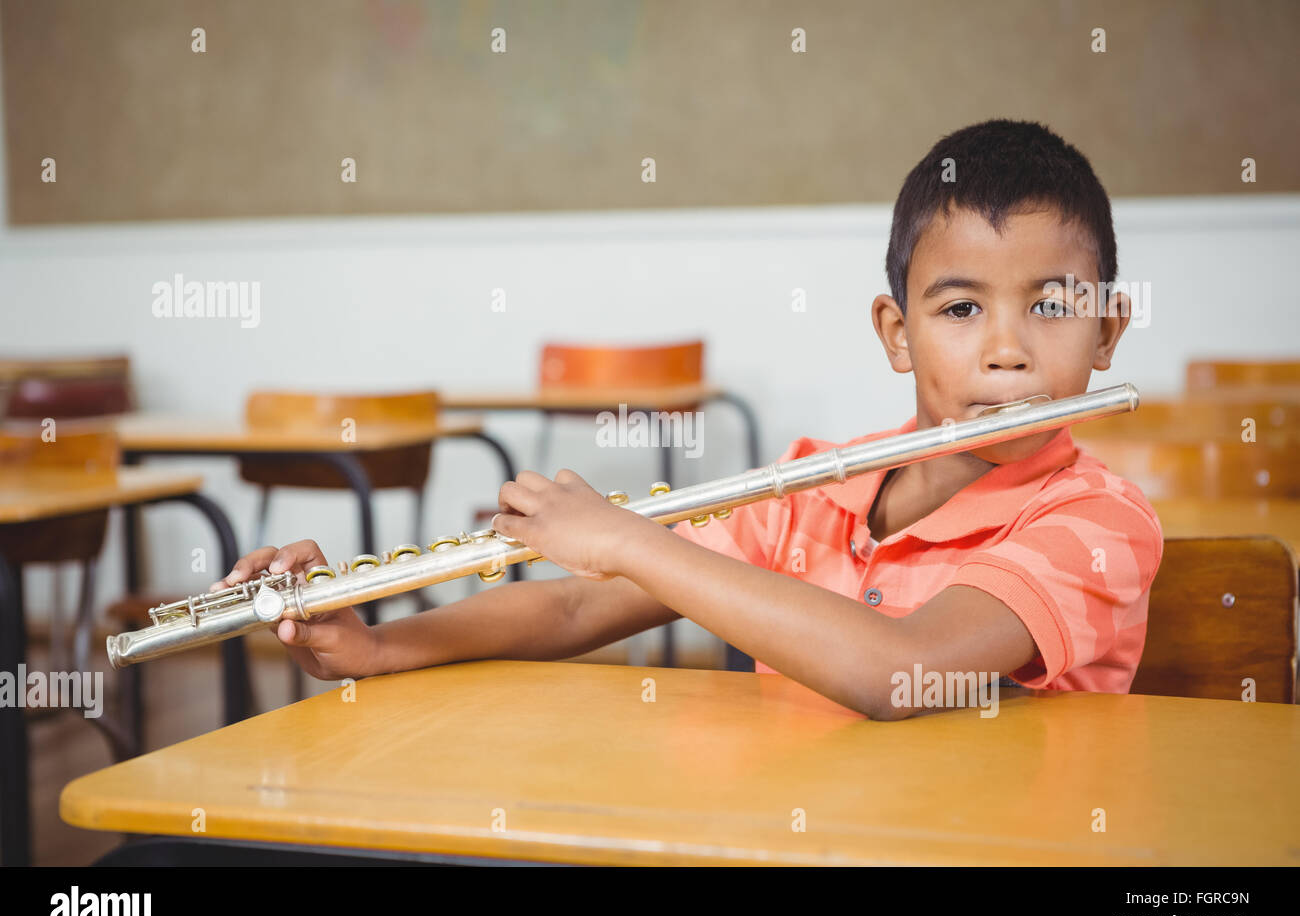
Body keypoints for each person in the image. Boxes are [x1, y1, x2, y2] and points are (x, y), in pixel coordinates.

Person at [211, 119, 1162, 720]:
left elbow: (898, 672)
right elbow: (579, 602)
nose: (1007, 350)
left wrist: (630, 540)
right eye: (960, 309)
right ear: (897, 331)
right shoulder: (817, 481)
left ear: (1108, 330)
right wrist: (380, 645)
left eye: (1052, 304)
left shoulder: (1099, 521)